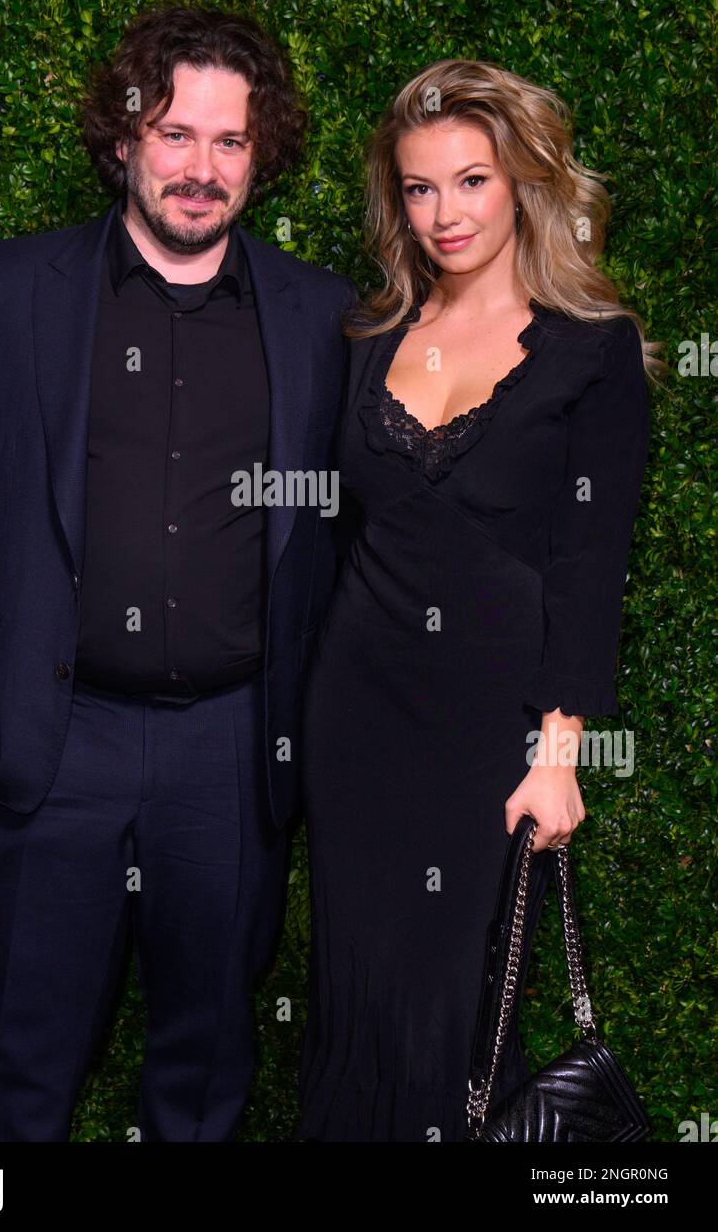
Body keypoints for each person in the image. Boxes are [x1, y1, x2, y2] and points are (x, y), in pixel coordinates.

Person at [0, 4, 351, 1141]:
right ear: (123, 141)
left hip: (233, 755)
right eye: (174, 134)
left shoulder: (319, 318)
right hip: (58, 744)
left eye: (229, 141)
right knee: (23, 1069)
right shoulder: (10, 290)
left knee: (203, 1074)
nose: (201, 169)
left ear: (262, 153)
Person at [298, 58, 662, 1142]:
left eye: (469, 181)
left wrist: (558, 756)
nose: (443, 212)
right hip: (353, 717)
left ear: (521, 185)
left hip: (485, 732)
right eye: (418, 187)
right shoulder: (366, 340)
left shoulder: (589, 354)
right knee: (351, 990)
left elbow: (588, 568)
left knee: (456, 1005)